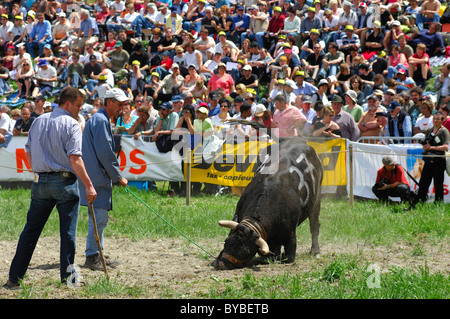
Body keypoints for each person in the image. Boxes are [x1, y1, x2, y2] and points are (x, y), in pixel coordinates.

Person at [3, 87, 97, 290]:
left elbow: (27, 151)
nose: (80, 110)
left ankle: (14, 278)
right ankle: (69, 278)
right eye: (79, 105)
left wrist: (37, 171)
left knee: (30, 232)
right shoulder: (72, 123)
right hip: (64, 182)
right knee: (68, 233)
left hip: (40, 182)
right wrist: (89, 185)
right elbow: (75, 158)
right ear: (68, 104)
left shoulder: (38, 120)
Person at [80, 88, 129, 271]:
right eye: (120, 104)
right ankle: (92, 257)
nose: (123, 108)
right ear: (109, 102)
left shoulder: (100, 119)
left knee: (99, 219)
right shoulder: (100, 120)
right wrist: (118, 176)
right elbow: (105, 152)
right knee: (99, 218)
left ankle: (96, 253)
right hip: (97, 177)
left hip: (96, 175)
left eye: (124, 104)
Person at [412, 112, 450, 205]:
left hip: (439, 161)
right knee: (423, 182)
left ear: (442, 120)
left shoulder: (444, 131)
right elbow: (427, 144)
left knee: (438, 184)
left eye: (438, 119)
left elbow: (445, 147)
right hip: (429, 160)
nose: (435, 121)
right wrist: (425, 147)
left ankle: (438, 204)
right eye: (434, 119)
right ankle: (418, 203)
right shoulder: (429, 130)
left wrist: (431, 148)